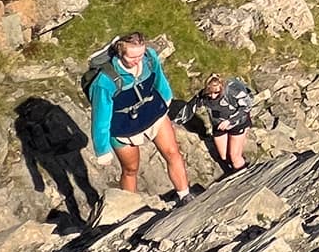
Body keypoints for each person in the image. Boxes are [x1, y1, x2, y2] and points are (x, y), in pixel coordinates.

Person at [88, 33, 189, 203]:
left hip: (152, 111)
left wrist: (166, 97)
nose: (138, 60)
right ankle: (130, 209)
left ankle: (185, 195)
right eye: (132, 57)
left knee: (173, 153)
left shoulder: (149, 57)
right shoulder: (105, 81)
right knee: (130, 169)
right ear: (120, 53)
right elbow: (101, 117)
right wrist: (102, 149)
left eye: (140, 55)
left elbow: (159, 76)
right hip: (122, 126)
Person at [192, 71, 256, 173]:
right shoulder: (203, 95)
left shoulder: (233, 90)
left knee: (234, 156)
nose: (213, 96)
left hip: (237, 123)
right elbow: (191, 106)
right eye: (210, 93)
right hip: (218, 124)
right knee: (224, 156)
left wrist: (230, 121)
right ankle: (237, 168)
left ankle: (244, 176)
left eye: (216, 93)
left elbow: (246, 107)